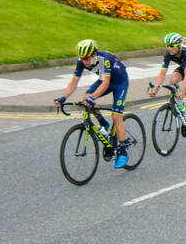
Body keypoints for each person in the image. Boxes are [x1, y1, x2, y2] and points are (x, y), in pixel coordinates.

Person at [54, 39, 131, 168]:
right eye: (82, 58)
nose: (85, 62)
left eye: (87, 58)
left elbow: (106, 83)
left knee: (116, 115)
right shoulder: (81, 62)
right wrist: (63, 97)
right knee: (86, 98)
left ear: (94, 54)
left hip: (120, 83)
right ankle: (104, 125)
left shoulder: (103, 59)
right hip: (105, 80)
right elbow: (74, 82)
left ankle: (123, 152)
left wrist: (93, 97)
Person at [149, 32, 186, 144]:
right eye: (167, 46)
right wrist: (155, 89)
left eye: (171, 46)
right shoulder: (168, 54)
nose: (169, 49)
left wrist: (182, 92)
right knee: (172, 80)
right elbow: (162, 73)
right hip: (185, 67)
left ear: (178, 45)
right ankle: (183, 109)